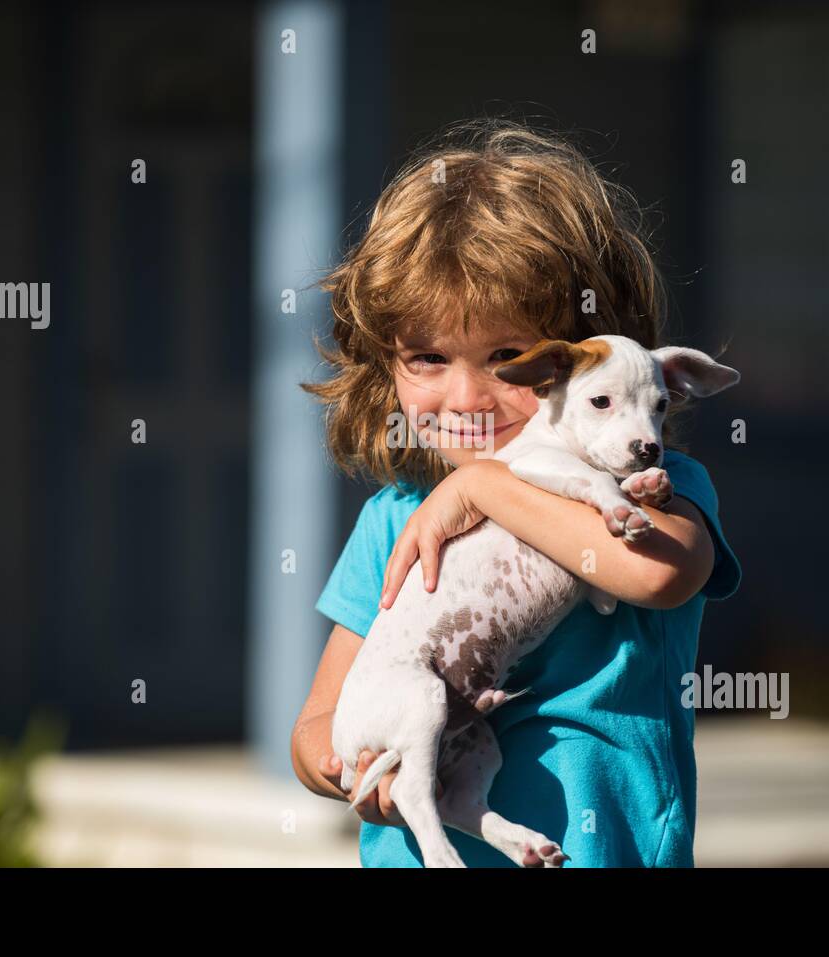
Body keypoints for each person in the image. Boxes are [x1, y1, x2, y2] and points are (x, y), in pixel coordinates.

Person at [290, 118, 742, 866]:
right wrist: (344, 774)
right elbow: (316, 725)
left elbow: (658, 574)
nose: (465, 395)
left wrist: (484, 486)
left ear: (587, 361)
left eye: (505, 356)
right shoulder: (396, 518)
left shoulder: (660, 491)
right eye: (427, 357)